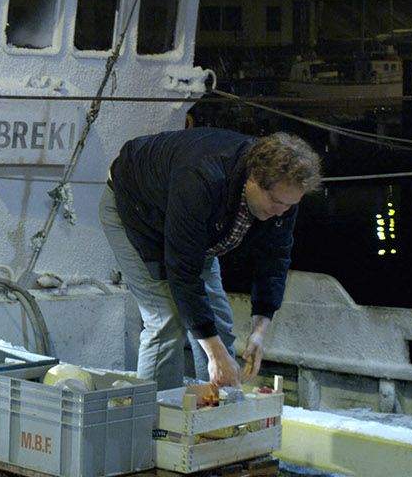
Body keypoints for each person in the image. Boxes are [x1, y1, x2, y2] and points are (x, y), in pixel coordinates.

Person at [100, 128, 322, 390]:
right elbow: (183, 271)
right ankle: (156, 414)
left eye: (290, 205)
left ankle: (216, 409)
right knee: (167, 320)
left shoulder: (282, 199)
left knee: (217, 323)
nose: (281, 212)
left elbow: (274, 261)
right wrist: (214, 353)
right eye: (275, 201)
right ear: (253, 178)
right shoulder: (202, 178)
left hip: (197, 229)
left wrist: (259, 332)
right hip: (137, 212)